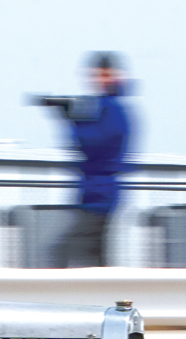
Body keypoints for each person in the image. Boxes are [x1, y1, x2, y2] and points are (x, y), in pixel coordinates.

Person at [42, 52, 132, 267]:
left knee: (62, 252)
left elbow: (94, 145)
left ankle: (62, 299)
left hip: (99, 195)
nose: (97, 80)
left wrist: (71, 122)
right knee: (95, 258)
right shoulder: (107, 107)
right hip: (96, 194)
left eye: (103, 75)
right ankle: (106, 297)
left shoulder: (112, 110)